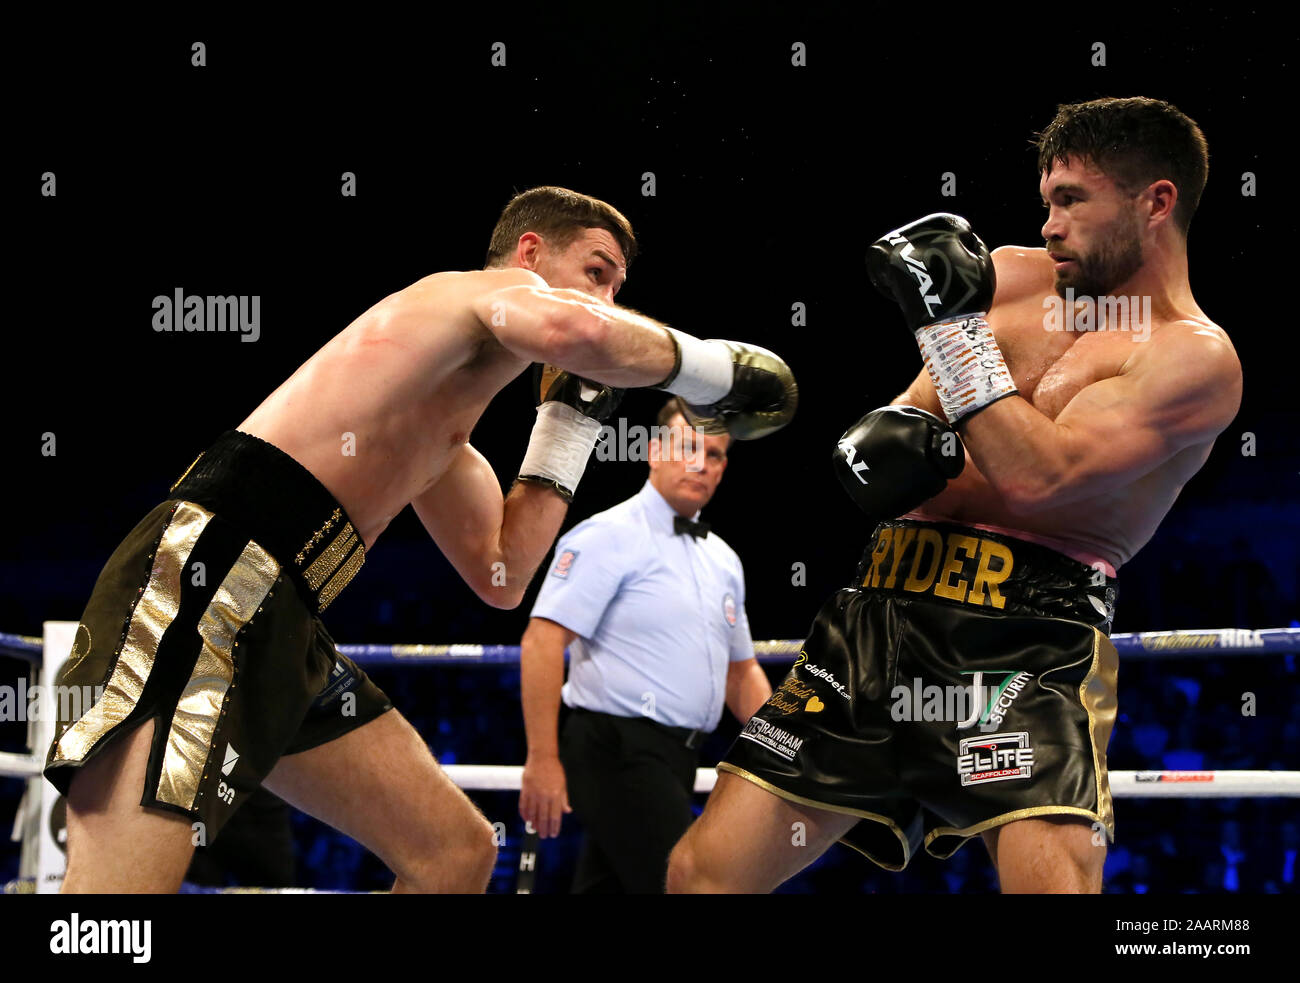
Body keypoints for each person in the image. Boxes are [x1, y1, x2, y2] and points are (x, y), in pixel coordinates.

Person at [43, 185, 796, 893]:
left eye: (616, 286)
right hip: (201, 584)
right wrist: (713, 369)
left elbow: (503, 575)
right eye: (595, 272)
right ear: (529, 254)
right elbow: (579, 327)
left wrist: (567, 427)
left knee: (455, 853)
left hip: (284, 625)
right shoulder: (461, 292)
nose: (607, 300)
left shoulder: (445, 440)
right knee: (112, 920)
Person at [669, 96, 1241, 894]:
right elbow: (911, 418)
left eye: (1073, 201)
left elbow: (1044, 476)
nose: (1049, 225)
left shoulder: (1195, 358)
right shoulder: (1010, 277)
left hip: (1026, 640)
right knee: (702, 876)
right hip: (876, 612)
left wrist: (949, 335)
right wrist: (887, 443)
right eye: (1047, 200)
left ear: (1157, 201)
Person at [517, 397, 771, 892]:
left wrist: (790, 746)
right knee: (696, 883)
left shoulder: (724, 561)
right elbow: (543, 642)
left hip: (679, 757)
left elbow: (740, 673)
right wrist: (542, 757)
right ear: (655, 450)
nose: (701, 463)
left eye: (716, 455)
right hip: (614, 749)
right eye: (689, 446)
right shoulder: (606, 536)